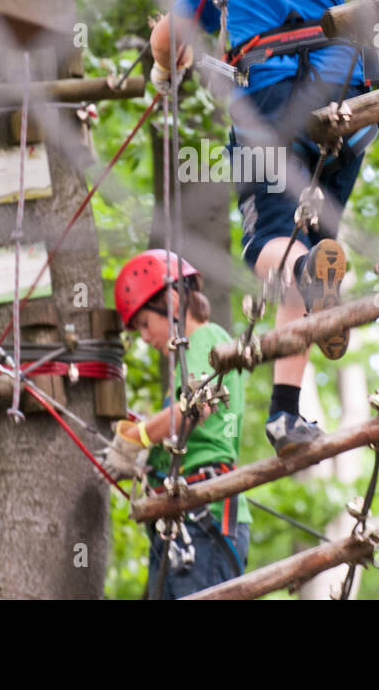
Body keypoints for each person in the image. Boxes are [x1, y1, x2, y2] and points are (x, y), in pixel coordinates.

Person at [146, 0, 379, 456]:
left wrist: (166, 70)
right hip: (348, 104)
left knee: (270, 245)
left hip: (270, 104)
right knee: (310, 253)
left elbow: (167, 37)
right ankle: (286, 414)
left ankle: (306, 272)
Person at [104, 249, 250, 600]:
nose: (143, 336)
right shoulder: (189, 359)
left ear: (171, 301)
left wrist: (137, 437)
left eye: (144, 323)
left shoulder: (207, 339)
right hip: (184, 520)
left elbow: (197, 407)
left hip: (204, 518)